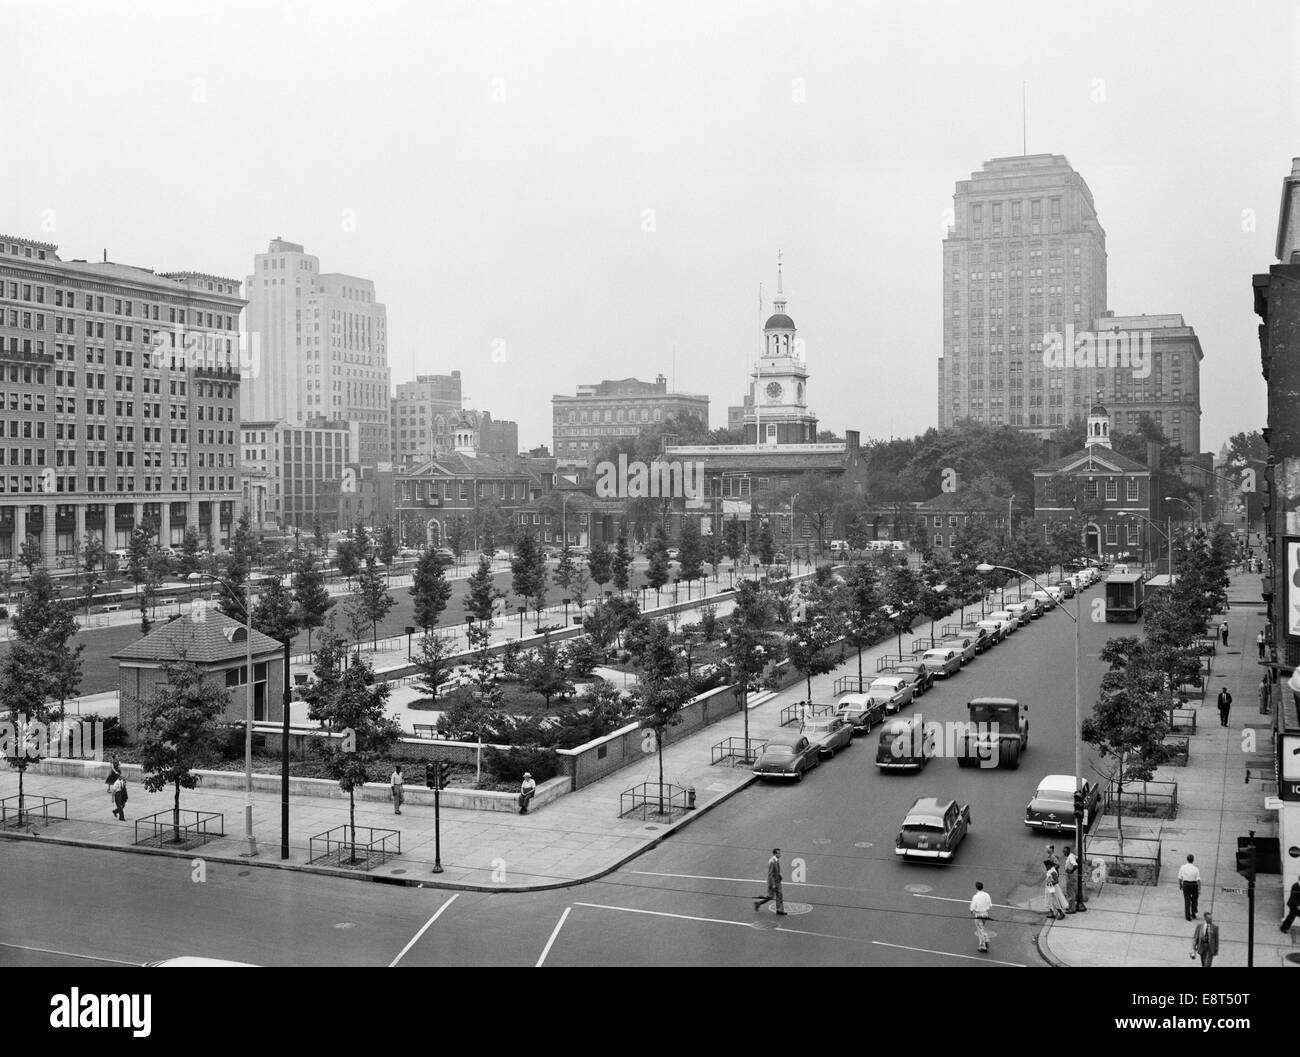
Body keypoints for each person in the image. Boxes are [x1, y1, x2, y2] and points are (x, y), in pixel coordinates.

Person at [754, 848, 786, 915]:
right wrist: (773, 884)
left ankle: (779, 910)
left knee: (779, 895)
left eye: (780, 853)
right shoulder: (772, 862)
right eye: (778, 853)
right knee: (771, 896)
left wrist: (779, 875)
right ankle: (758, 903)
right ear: (774, 854)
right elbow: (770, 874)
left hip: (777, 881)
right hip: (773, 882)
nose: (780, 854)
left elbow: (776, 871)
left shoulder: (776, 860)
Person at [970, 881, 993, 952]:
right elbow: (990, 905)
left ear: (976, 888)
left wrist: (972, 912)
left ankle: (983, 945)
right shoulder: (987, 895)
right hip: (985, 914)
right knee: (982, 928)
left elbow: (972, 908)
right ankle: (985, 941)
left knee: (980, 931)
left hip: (978, 915)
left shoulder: (975, 896)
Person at [1177, 854, 1201, 920]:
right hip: (1194, 885)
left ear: (1187, 859)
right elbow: (1198, 880)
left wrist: (1180, 885)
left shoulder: (1182, 867)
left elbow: (1179, 877)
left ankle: (1187, 915)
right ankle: (1193, 912)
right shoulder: (1196, 869)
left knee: (1187, 900)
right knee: (1194, 900)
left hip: (1186, 884)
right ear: (1193, 860)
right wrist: (1199, 889)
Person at [1062, 845, 1085, 912]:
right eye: (1063, 852)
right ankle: (1072, 906)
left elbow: (1075, 865)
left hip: (1070, 875)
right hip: (1072, 875)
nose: (1064, 853)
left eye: (1065, 852)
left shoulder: (1070, 857)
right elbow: (1078, 859)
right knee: (1073, 891)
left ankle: (1072, 909)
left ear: (1068, 851)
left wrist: (1071, 871)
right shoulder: (1072, 855)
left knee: (1070, 892)